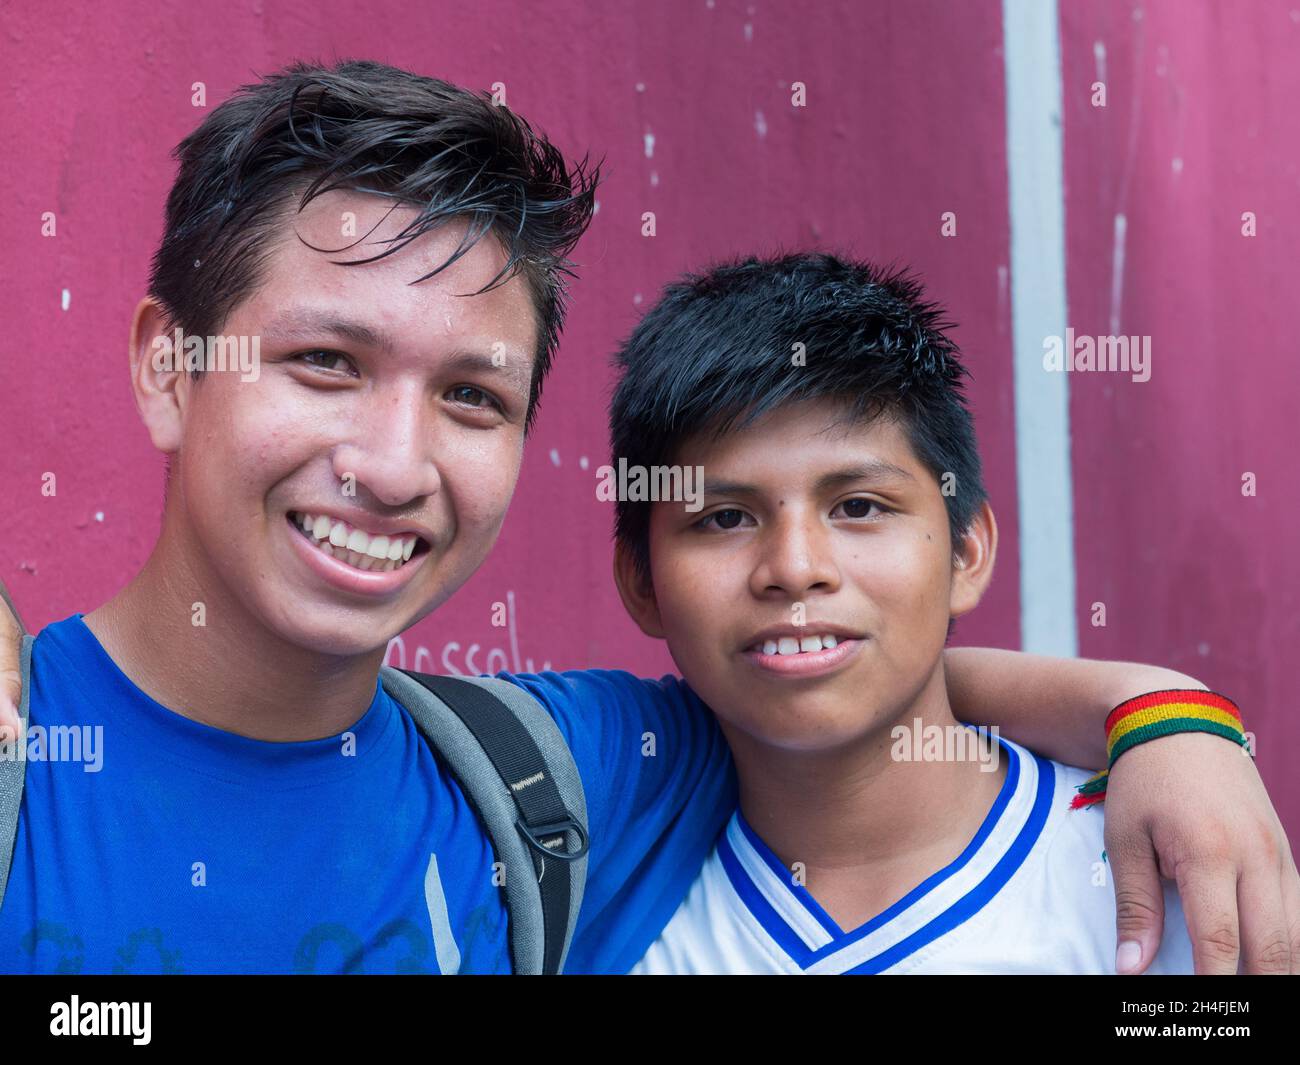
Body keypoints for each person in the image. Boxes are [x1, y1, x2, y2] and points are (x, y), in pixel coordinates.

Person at [0, 60, 1294, 974]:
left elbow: (847, 687)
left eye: (470, 395)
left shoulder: (571, 779)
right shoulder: (25, 773)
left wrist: (1166, 717)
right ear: (170, 368)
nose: (393, 465)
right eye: (326, 363)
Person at [607, 253, 1286, 973]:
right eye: (723, 518)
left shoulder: (1159, 881)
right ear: (642, 582)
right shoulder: (592, 895)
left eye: (859, 506)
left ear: (965, 551)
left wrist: (1170, 717)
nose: (796, 568)